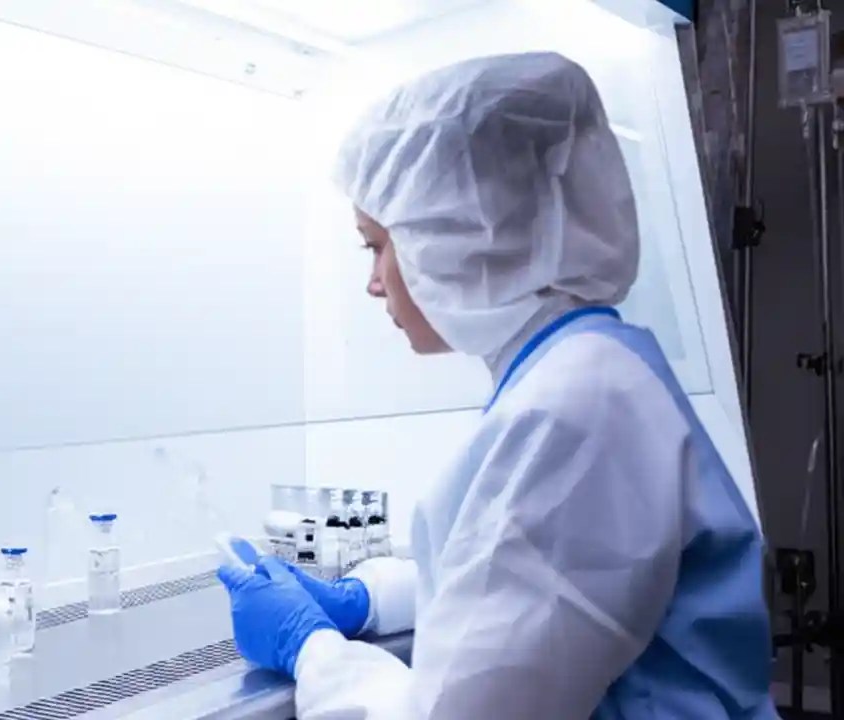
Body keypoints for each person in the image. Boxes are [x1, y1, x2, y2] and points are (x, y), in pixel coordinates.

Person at [217, 52, 777, 719]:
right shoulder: (587, 367)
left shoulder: (576, 408)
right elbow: (539, 584)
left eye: (376, 245)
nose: (372, 282)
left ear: (455, 232)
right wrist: (373, 601)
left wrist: (311, 648)